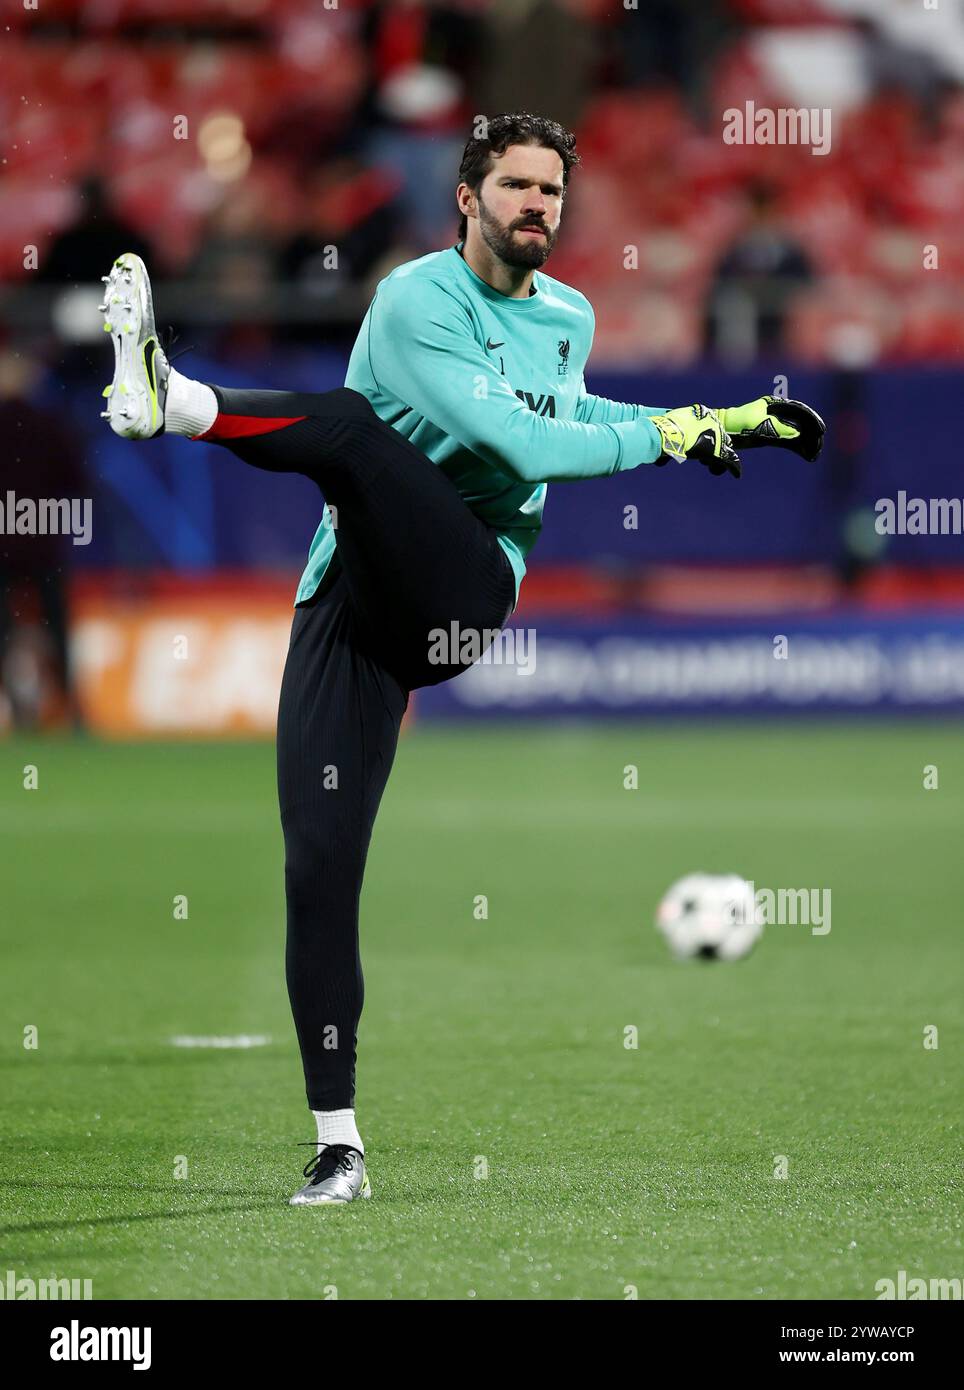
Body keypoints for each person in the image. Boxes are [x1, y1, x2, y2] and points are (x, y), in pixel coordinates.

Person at [97, 112, 824, 1205]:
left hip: (461, 587)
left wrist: (703, 417)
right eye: (517, 186)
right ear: (467, 199)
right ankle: (338, 1143)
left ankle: (176, 402)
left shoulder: (568, 316)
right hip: (350, 602)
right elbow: (517, 440)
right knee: (314, 872)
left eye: (552, 191)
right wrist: (673, 433)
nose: (538, 206)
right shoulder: (413, 298)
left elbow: (557, 419)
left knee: (345, 432)